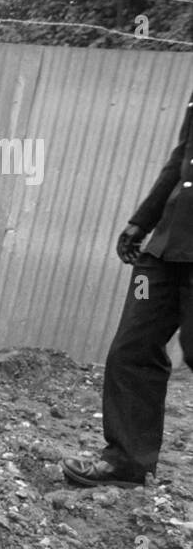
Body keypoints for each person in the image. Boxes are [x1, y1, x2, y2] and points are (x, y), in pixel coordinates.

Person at [63, 87, 193, 488]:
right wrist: (144, 219)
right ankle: (128, 461)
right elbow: (181, 159)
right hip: (167, 247)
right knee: (132, 347)